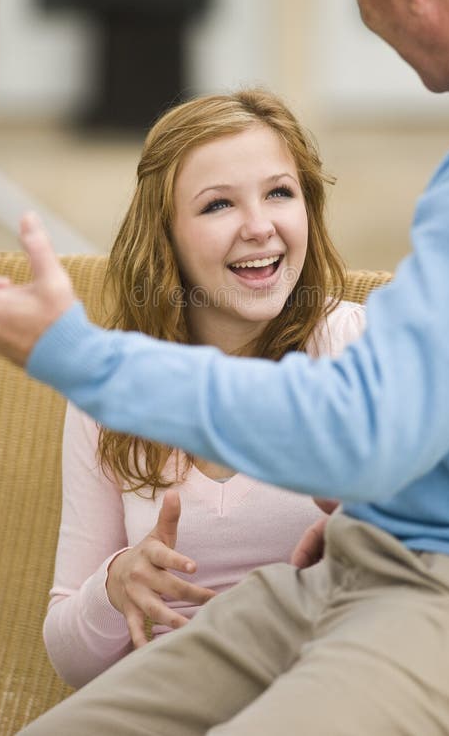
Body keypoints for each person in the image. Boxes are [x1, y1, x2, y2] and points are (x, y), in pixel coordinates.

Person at [0, 0, 449, 732]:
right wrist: (389, 513)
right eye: (218, 205)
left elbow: (365, 429)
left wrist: (75, 355)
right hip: (370, 561)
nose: (365, 23)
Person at [43, 89, 364, 688]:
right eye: (218, 204)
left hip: (318, 686)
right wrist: (116, 587)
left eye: (279, 193)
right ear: (165, 236)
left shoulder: (355, 349)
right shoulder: (109, 389)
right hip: (164, 697)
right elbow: (71, 661)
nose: (260, 227)